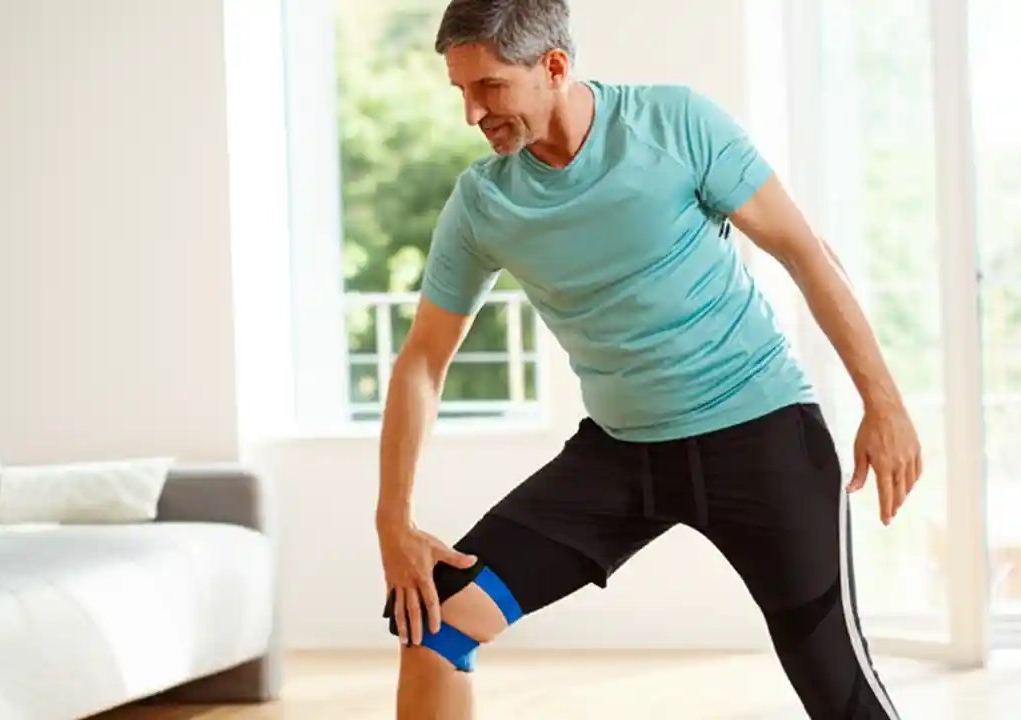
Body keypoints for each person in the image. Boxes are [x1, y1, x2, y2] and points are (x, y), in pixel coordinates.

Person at [375, 1, 921, 717]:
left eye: (491, 88)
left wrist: (883, 403)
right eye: (462, 91)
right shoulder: (485, 203)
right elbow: (423, 360)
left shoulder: (675, 125)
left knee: (837, 689)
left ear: (555, 67)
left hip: (761, 437)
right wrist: (393, 519)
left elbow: (806, 255)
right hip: (623, 457)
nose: (473, 113)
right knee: (435, 623)